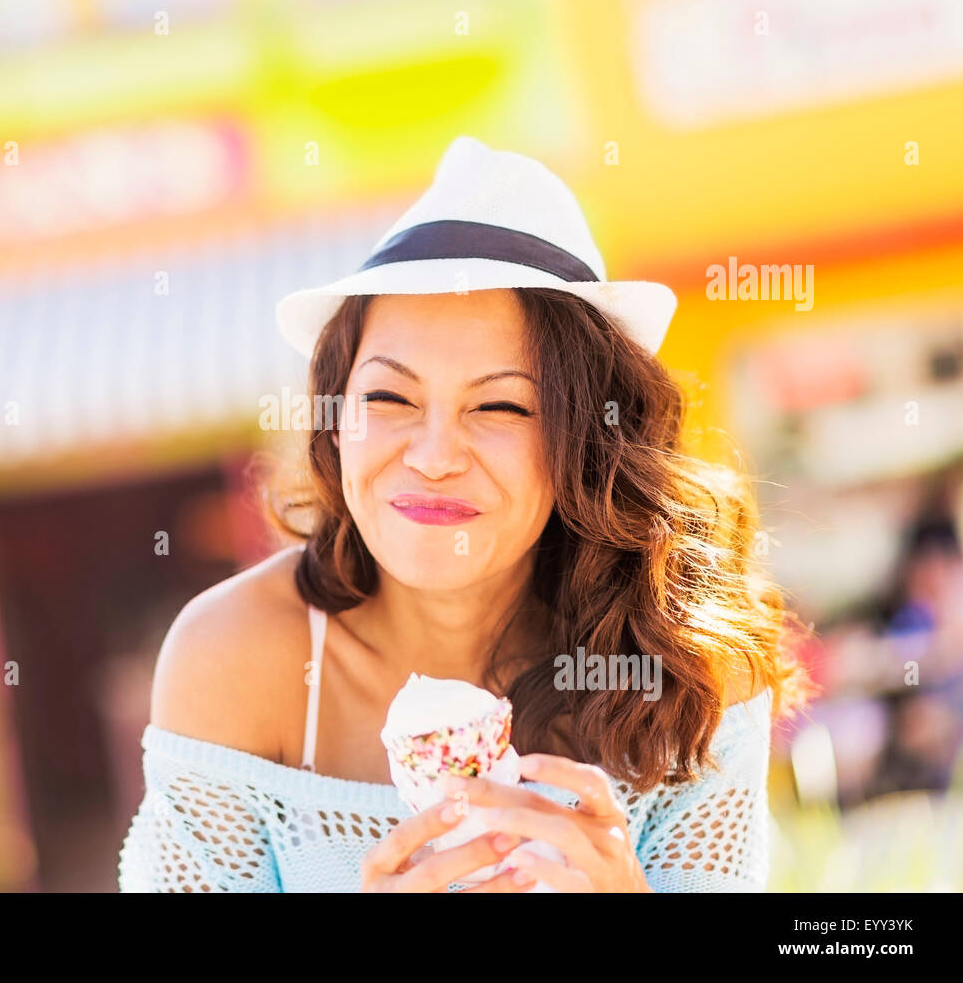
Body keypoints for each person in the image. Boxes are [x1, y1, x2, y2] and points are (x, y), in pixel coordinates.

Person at [117, 136, 813, 892]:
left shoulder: (687, 670)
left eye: (500, 405)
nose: (434, 454)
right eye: (389, 397)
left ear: (587, 439)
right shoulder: (235, 660)